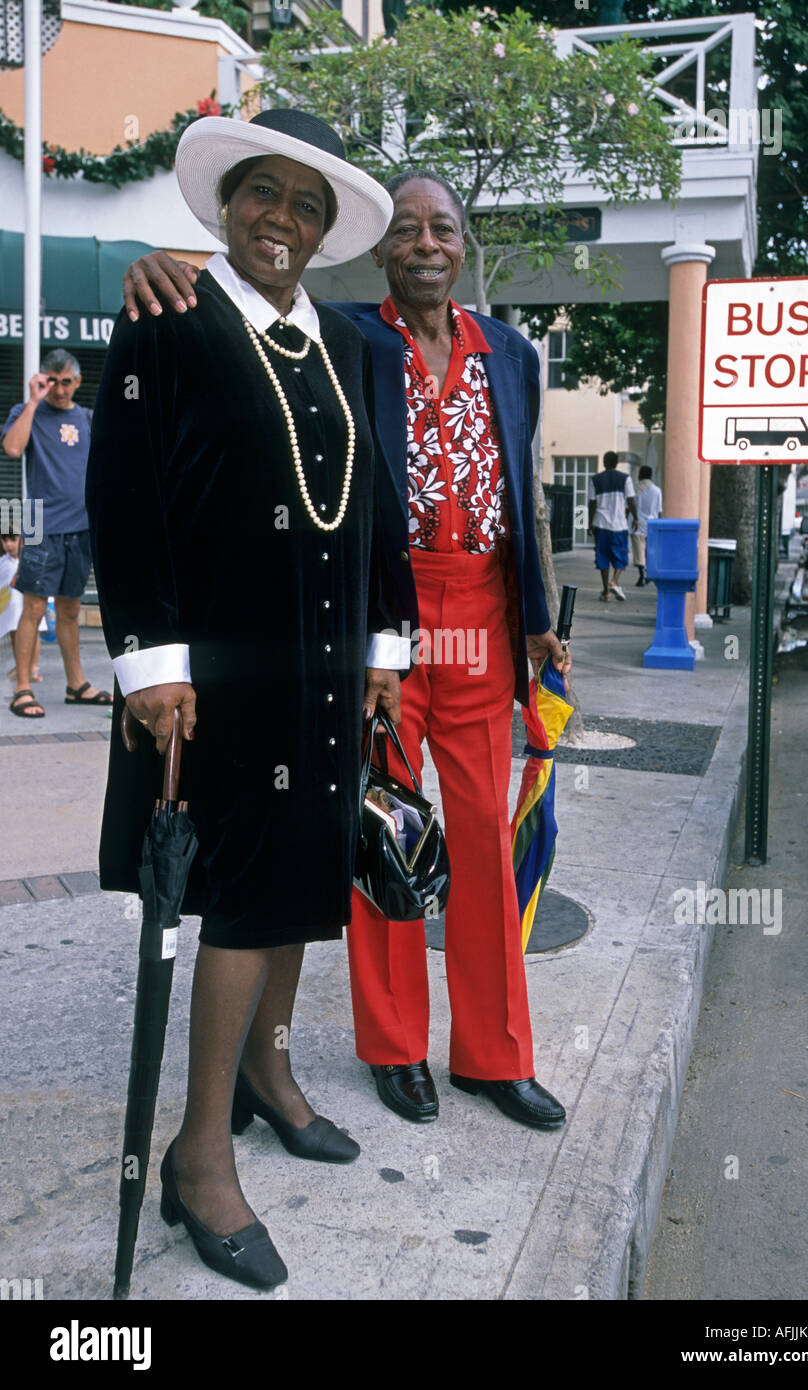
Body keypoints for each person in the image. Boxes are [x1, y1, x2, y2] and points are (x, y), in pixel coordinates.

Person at [123, 168, 570, 1134]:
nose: (425, 244)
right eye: (406, 228)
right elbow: (253, 299)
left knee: (487, 837)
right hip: (389, 610)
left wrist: (534, 611)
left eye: (442, 228)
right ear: (378, 250)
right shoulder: (350, 338)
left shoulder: (515, 353)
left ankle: (497, 1055)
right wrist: (165, 267)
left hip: (486, 613)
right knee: (381, 823)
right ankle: (396, 1047)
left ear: (464, 244)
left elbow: (527, 493)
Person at [87, 109, 412, 1291]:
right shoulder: (167, 318)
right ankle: (199, 1153)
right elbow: (124, 500)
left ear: (326, 233)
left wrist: (386, 639)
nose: (281, 219)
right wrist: (150, 660)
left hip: (324, 665)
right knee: (230, 896)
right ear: (228, 207)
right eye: (262, 195)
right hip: (214, 677)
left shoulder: (351, 345)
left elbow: (378, 501)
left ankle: (271, 1076)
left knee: (298, 880)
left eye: (306, 205)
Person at [1, 352, 111, 717]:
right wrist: (33, 401)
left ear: (78, 382)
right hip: (36, 520)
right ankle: (22, 687)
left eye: (66, 381)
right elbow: (13, 448)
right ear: (42, 380)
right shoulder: (26, 411)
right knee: (33, 607)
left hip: (80, 523)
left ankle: (76, 684)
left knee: (70, 609)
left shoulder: (87, 418)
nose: (59, 389)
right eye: (52, 381)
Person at [589, 450, 638, 602]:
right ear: (617, 463)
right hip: (619, 524)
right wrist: (636, 518)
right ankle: (615, 581)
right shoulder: (625, 478)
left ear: (604, 462)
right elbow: (631, 500)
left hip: (600, 523)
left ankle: (605, 591)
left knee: (602, 557)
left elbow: (591, 503)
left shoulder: (595, 479)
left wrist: (588, 523)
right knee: (621, 555)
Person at [0, 532, 41, 682]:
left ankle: (34, 667)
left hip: (29, 605)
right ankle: (20, 665)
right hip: (11, 607)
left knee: (33, 633)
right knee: (14, 632)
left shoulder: (31, 561)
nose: (9, 544)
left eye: (13, 540)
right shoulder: (3, 562)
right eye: (5, 540)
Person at [633, 464, 663, 586]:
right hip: (652, 525)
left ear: (640, 474)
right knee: (649, 551)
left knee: (639, 552)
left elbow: (629, 507)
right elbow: (659, 510)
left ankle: (641, 576)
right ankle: (649, 574)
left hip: (637, 524)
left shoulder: (635, 489)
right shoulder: (657, 490)